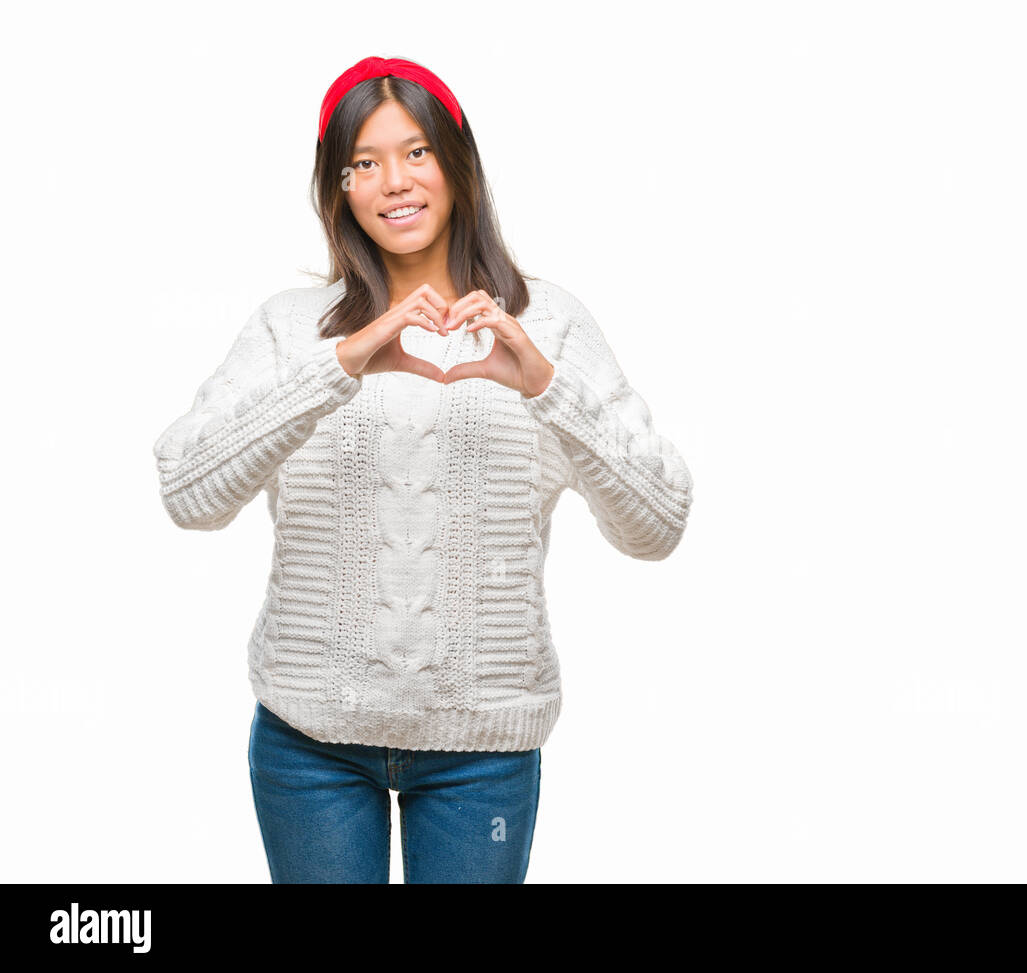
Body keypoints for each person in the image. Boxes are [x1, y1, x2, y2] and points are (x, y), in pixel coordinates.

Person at [152, 55, 694, 883]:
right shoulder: (292, 329)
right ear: (338, 190)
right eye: (362, 163)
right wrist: (339, 364)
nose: (392, 181)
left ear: (457, 163)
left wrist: (548, 388)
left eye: (415, 152)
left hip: (483, 754)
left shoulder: (549, 323)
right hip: (310, 747)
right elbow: (188, 493)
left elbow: (658, 526)